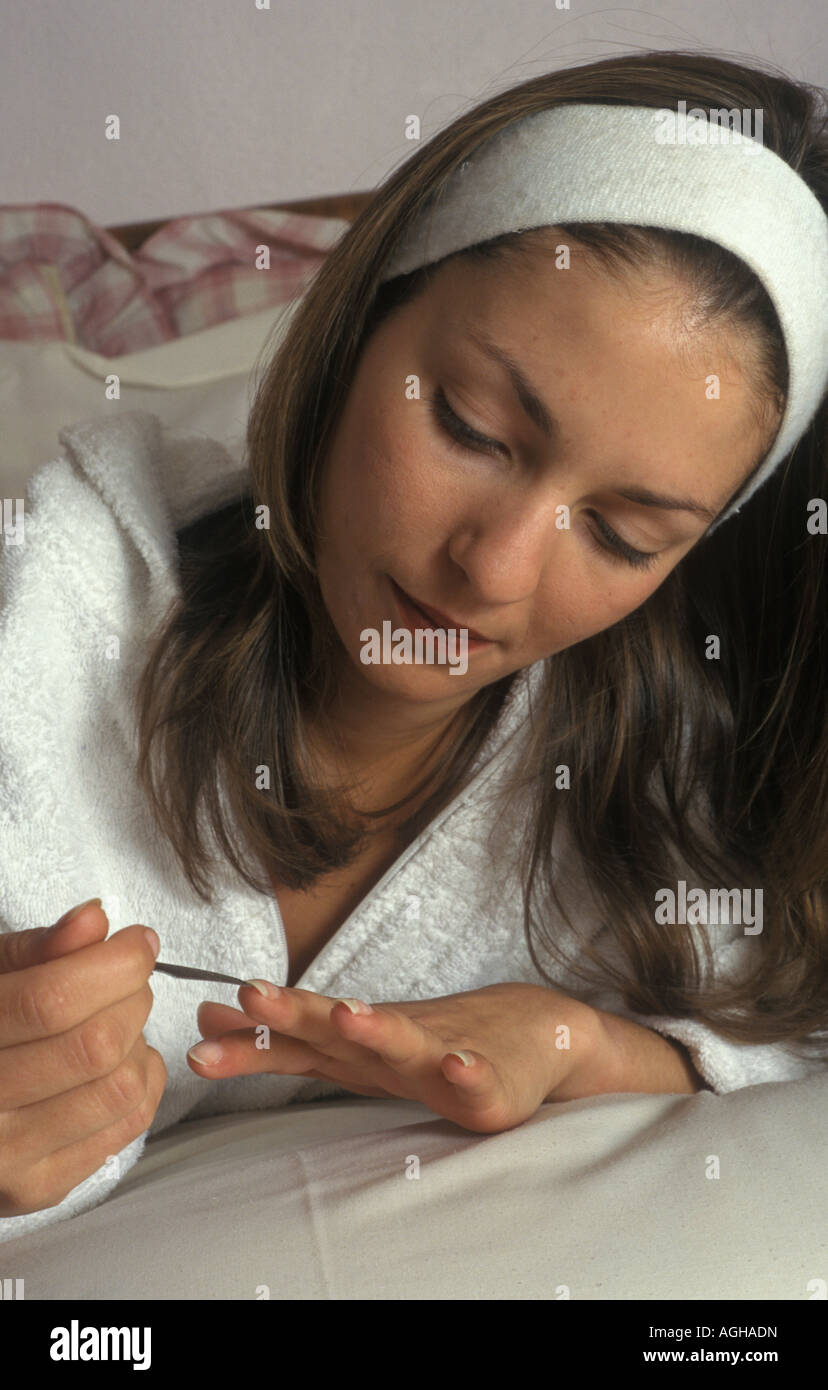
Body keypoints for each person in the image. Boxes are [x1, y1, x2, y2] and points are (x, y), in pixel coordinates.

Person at [1, 48, 826, 1239]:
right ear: (361, 314)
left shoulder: (653, 763)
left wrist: (583, 1042)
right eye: (472, 427)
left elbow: (783, 1023)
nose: (495, 569)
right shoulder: (58, 603)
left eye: (623, 533)